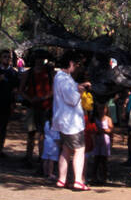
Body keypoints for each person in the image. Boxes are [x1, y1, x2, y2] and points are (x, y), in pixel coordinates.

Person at [52, 52, 90, 190]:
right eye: (76, 64)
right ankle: (78, 180)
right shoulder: (63, 79)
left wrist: (80, 85)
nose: (77, 67)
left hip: (63, 121)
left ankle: (62, 179)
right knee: (79, 149)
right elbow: (72, 99)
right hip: (71, 122)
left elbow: (72, 88)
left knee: (66, 149)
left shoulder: (61, 77)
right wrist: (80, 92)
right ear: (70, 63)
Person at [19, 56, 53, 165]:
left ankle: (41, 157)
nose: (39, 61)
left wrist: (43, 98)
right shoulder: (28, 74)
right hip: (32, 106)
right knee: (31, 132)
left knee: (43, 133)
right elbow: (21, 90)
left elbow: (54, 90)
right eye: (37, 58)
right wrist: (30, 99)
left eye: (40, 58)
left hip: (45, 106)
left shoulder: (49, 73)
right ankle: (29, 157)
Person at [0, 49, 19, 159]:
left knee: (3, 127)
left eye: (9, 57)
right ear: (0, 58)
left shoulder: (13, 73)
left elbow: (15, 89)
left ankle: (0, 150)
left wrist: (14, 102)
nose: (7, 59)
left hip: (7, 103)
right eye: (5, 56)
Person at [92, 102, 113, 185]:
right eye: (100, 108)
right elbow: (93, 129)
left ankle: (104, 177)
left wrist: (103, 130)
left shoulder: (108, 119)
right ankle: (94, 176)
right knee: (96, 159)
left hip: (105, 140)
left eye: (103, 108)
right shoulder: (95, 119)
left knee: (104, 160)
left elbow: (110, 129)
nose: (101, 110)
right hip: (97, 140)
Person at [41, 116, 60, 181]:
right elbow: (56, 136)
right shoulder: (55, 124)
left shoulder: (46, 123)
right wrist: (59, 144)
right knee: (51, 159)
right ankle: (50, 173)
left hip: (46, 141)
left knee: (46, 158)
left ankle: (45, 172)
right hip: (53, 143)